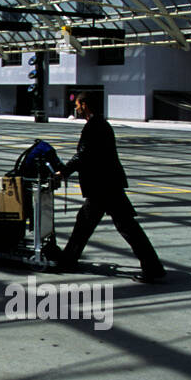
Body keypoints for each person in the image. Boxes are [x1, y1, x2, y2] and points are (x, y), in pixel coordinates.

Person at [46, 93, 167, 283]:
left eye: (77, 105)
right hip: (108, 184)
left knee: (119, 226)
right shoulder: (100, 124)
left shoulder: (94, 126)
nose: (76, 109)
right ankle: (69, 259)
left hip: (103, 186)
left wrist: (64, 172)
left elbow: (83, 155)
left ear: (85, 105)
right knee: (95, 223)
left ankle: (153, 267)